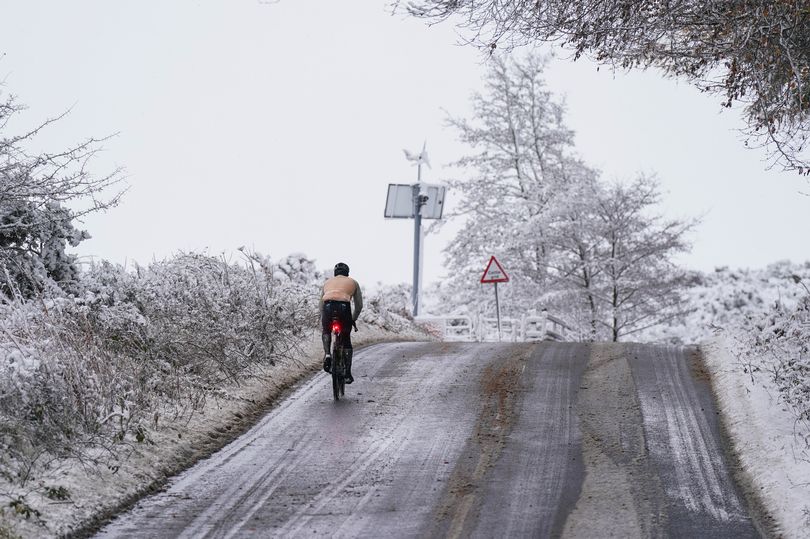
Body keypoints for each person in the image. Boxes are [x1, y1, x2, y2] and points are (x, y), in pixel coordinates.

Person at [320, 262, 363, 383]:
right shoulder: (353, 282)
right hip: (344, 308)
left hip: (327, 307)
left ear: (335, 273)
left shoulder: (327, 283)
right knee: (346, 338)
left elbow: (320, 305)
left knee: (326, 330)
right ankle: (347, 373)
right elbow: (359, 306)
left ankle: (327, 355)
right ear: (347, 273)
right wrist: (353, 319)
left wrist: (324, 317)